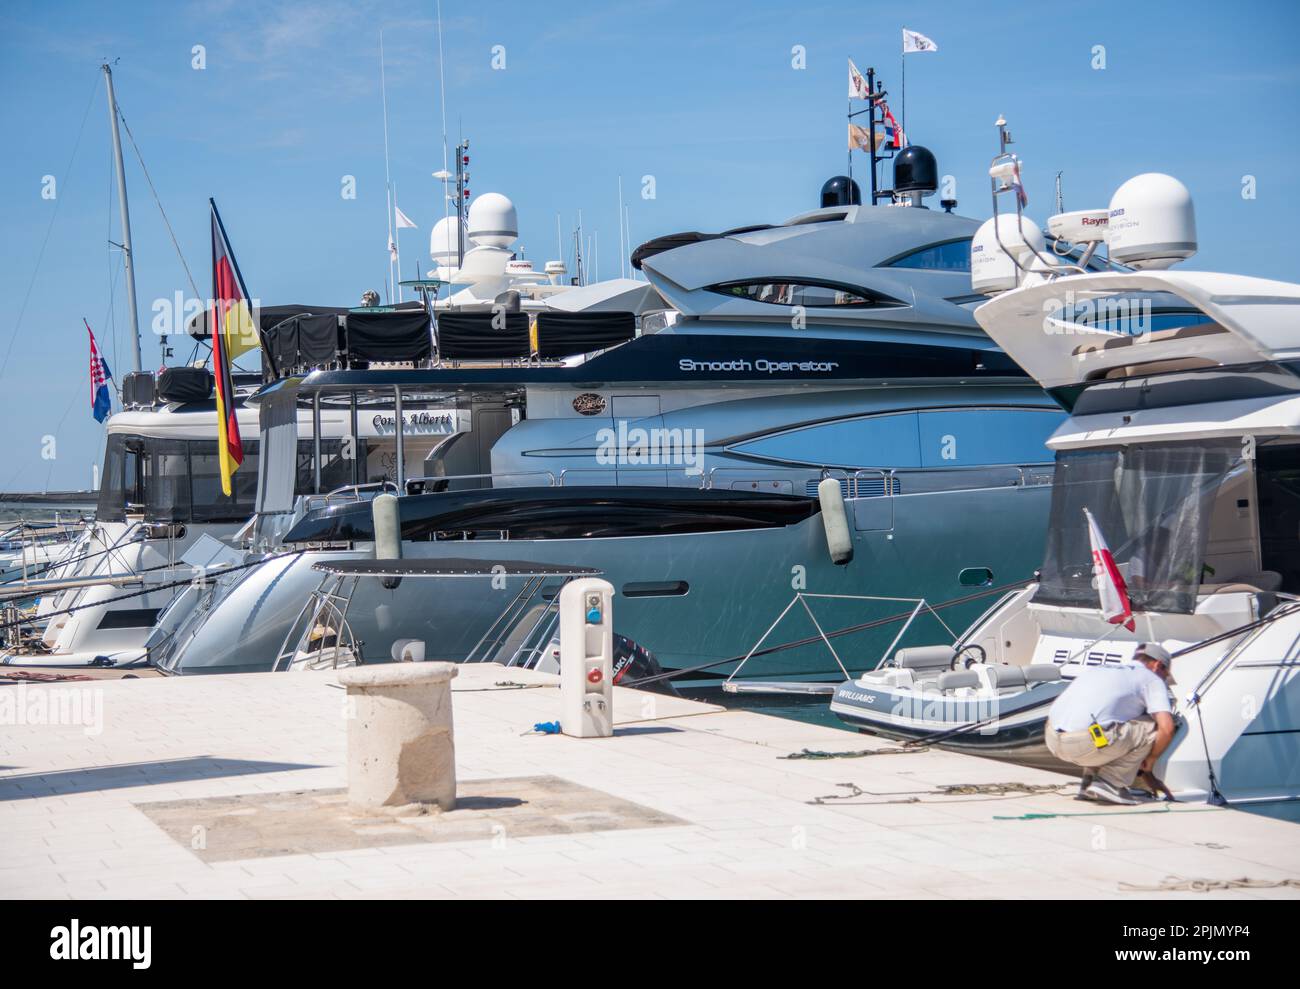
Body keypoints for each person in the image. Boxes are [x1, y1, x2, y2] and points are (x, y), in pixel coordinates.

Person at [1043, 643, 1177, 805]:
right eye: (1165, 675)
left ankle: (1089, 782)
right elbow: (1166, 729)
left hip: (1052, 740)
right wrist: (1149, 764)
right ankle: (1110, 783)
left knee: (1107, 723)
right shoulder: (1152, 679)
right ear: (1158, 665)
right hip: (1087, 743)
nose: (1164, 680)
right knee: (1151, 725)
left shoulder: (1100, 668)